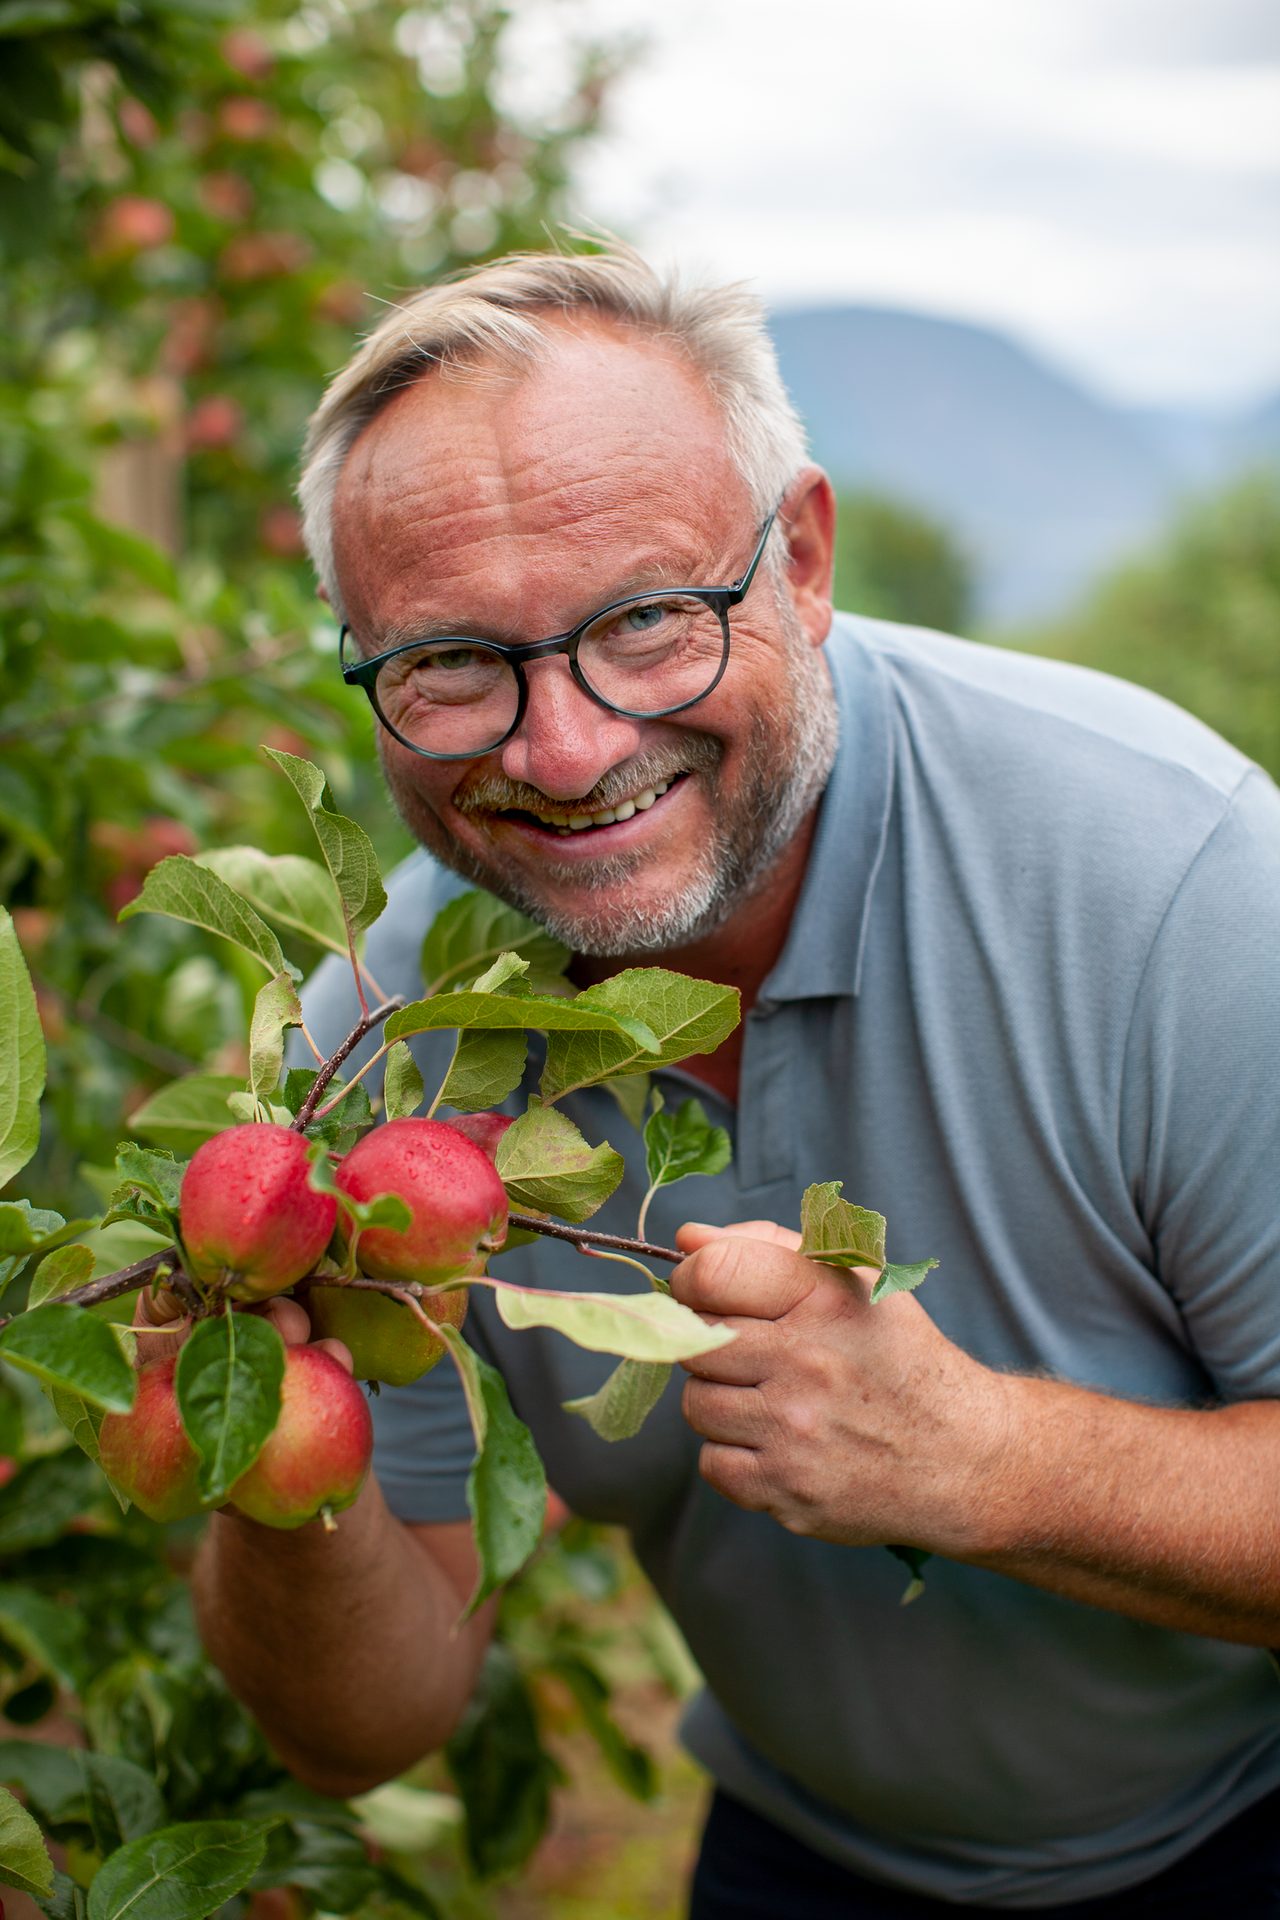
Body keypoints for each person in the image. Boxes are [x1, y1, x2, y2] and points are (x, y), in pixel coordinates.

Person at [191, 246, 1280, 1915]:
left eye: (647, 621)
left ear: (805, 561)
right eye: (452, 664)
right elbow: (360, 1732)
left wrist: (989, 1458)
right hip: (807, 1847)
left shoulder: (1171, 886)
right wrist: (265, 1439)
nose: (564, 752)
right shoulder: (376, 1052)